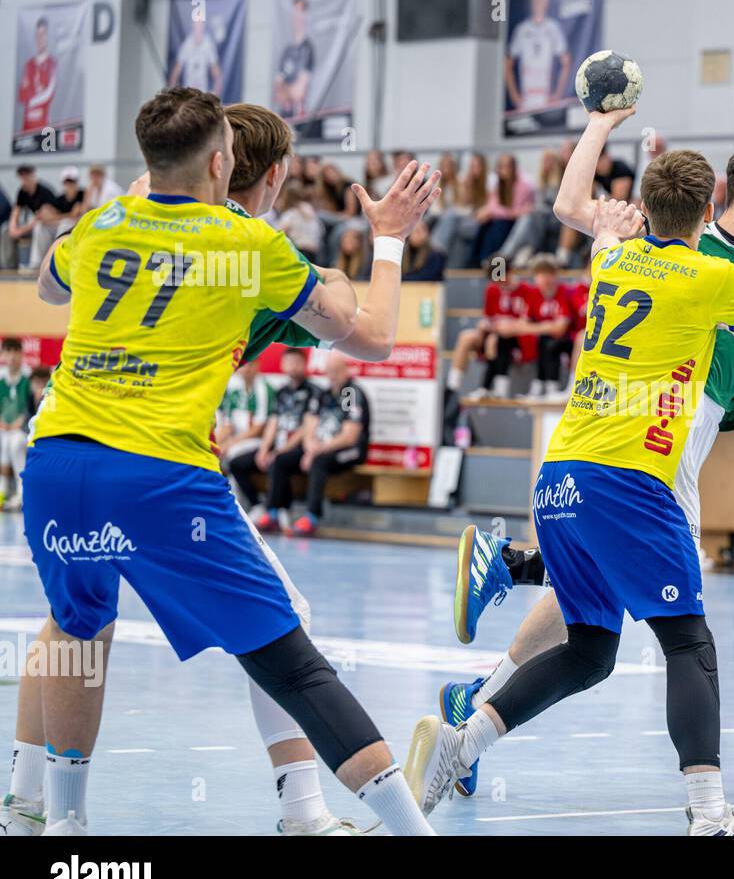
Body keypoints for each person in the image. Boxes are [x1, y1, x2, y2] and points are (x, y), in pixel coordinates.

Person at [5, 100, 441, 838]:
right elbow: (372, 335)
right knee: (290, 652)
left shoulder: (106, 222)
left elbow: (50, 287)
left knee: (75, 628)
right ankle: (344, 818)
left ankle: (47, 817)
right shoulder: (249, 247)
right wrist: (388, 243)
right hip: (157, 475)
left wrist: (130, 202)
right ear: (246, 169)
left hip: (53, 464)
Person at [433, 113, 734, 803]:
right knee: (671, 615)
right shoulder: (710, 259)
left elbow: (602, 232)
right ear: (731, 193)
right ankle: (706, 802)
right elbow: (572, 207)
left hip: (646, 432)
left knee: (600, 601)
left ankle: (489, 648)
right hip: (656, 428)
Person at [232, 347, 319, 531]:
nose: (292, 367)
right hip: (278, 447)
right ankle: (257, 504)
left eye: (296, 362)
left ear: (304, 365)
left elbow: (306, 427)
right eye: (288, 362)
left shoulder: (314, 391)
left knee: (278, 461)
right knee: (237, 463)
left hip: (299, 449)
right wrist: (264, 449)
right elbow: (273, 423)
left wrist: (281, 450)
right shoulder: (281, 392)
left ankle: (273, 512)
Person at [289, 351, 371, 536]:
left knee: (320, 462)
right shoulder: (323, 394)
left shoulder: (349, 393)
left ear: (346, 370)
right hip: (320, 448)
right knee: (283, 459)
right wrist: (309, 446)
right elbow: (309, 423)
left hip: (351, 450)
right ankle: (274, 510)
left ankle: (312, 515)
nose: (333, 374)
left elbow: (349, 436)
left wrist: (316, 451)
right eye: (329, 370)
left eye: (336, 370)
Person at [443, 257, 538, 400]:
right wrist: (486, 328)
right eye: (496, 279)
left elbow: (525, 323)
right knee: (466, 336)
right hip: (493, 334)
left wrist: (498, 329)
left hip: (517, 340)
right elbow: (487, 318)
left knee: (498, 339)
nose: (499, 282)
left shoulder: (526, 290)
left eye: (501, 277)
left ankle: (496, 389)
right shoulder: (492, 289)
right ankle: (452, 387)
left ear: (510, 271)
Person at [504, 0, 571, 113]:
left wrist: (557, 95)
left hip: (546, 102)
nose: (540, 0)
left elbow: (567, 62)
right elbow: (507, 64)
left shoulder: (553, 28)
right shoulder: (522, 30)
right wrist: (515, 97)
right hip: (526, 102)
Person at [516, 254, 573, 400]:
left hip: (569, 340)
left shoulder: (564, 292)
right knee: (542, 339)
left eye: (548, 273)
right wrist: (547, 326)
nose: (545, 278)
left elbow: (560, 329)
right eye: (540, 274)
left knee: (549, 341)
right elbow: (522, 325)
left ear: (555, 275)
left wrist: (540, 327)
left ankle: (551, 386)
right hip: (545, 340)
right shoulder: (532, 294)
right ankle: (540, 384)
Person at [217, 359, 275, 485]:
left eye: (250, 365)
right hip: (236, 437)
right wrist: (215, 444)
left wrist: (231, 443)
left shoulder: (263, 388)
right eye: (243, 365)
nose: (246, 369)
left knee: (232, 453)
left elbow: (257, 429)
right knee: (212, 451)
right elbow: (227, 425)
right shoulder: (233, 386)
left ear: (257, 366)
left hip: (257, 441)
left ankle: (237, 496)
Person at [0, 338, 32, 511]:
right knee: (4, 443)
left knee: (14, 443)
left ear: (21, 354)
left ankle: (21, 491)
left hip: (22, 429)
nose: (12, 357)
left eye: (15, 352)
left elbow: (30, 408)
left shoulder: (27, 378)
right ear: (3, 355)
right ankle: (3, 490)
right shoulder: (1, 378)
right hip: (3, 428)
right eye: (8, 352)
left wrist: (19, 423)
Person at [8, 166, 57, 274]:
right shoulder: (22, 191)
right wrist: (13, 228)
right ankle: (10, 265)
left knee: (39, 228)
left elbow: (42, 217)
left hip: (52, 223)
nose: (24, 179)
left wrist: (19, 231)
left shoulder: (44, 192)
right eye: (22, 176)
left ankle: (36, 264)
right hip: (36, 223)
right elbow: (16, 211)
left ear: (33, 175)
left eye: (27, 175)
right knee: (6, 230)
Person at [274, 0, 314, 121]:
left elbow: (299, 93)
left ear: (305, 16)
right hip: (284, 117)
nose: (296, 17)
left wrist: (286, 88)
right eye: (294, 12)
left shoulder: (308, 49)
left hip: (301, 119)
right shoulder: (287, 51)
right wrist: (286, 90)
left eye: (299, 12)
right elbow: (278, 92)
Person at [18, 17, 56, 136]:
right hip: (27, 127)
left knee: (47, 152)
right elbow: (22, 96)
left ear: (48, 37)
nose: (40, 39)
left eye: (43, 34)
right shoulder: (28, 65)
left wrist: (32, 100)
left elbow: (48, 95)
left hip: (44, 127)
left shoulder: (53, 64)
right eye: (37, 35)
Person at [169, 14, 222, 97]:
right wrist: (172, 93)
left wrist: (216, 93)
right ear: (193, 26)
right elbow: (177, 69)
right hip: (188, 92)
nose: (198, 28)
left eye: (200, 25)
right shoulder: (187, 44)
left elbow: (215, 70)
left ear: (203, 27)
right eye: (196, 25)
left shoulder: (208, 44)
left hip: (202, 93)